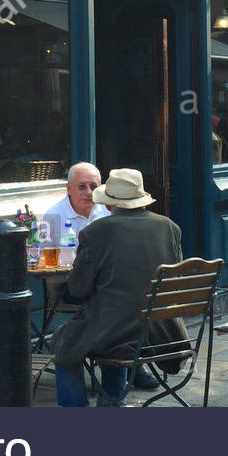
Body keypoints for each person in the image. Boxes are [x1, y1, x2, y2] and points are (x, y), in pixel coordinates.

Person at [53, 169, 187, 406]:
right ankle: (112, 403)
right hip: (165, 334)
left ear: (108, 203)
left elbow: (78, 290)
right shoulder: (170, 227)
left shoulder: (95, 232)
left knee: (64, 342)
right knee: (109, 321)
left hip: (118, 335)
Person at [41, 162, 111, 246]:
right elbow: (41, 252)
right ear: (69, 188)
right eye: (82, 186)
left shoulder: (108, 211)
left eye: (93, 187)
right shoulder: (52, 216)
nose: (89, 192)